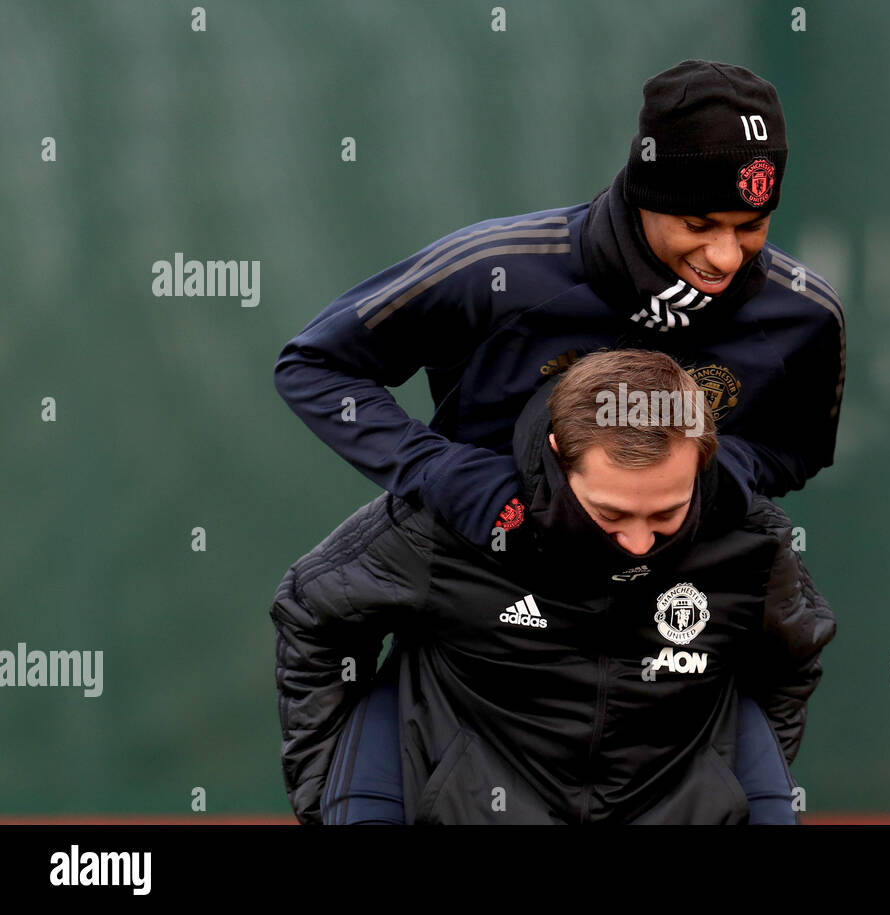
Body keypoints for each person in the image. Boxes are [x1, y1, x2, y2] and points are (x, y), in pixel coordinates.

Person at [272, 59, 845, 822]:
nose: (726, 257)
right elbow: (315, 364)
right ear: (646, 194)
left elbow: (795, 448)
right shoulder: (499, 270)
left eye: (751, 228)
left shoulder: (803, 317)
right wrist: (450, 478)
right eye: (701, 225)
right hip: (484, 609)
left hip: (661, 645)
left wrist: (706, 483)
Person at [271, 350, 836, 823]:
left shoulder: (750, 543)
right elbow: (312, 614)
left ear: (702, 462)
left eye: (666, 513)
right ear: (561, 456)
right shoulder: (455, 525)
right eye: (611, 514)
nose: (639, 542)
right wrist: (323, 791)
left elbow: (790, 661)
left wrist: (721, 783)